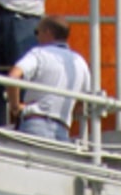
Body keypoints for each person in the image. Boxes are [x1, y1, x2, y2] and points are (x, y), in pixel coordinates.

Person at [10, 15, 91, 143]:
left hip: (35, 124)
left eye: (37, 32)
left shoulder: (39, 53)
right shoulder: (80, 63)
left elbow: (14, 76)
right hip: (63, 130)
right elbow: (82, 104)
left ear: (47, 32)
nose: (36, 37)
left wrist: (15, 107)